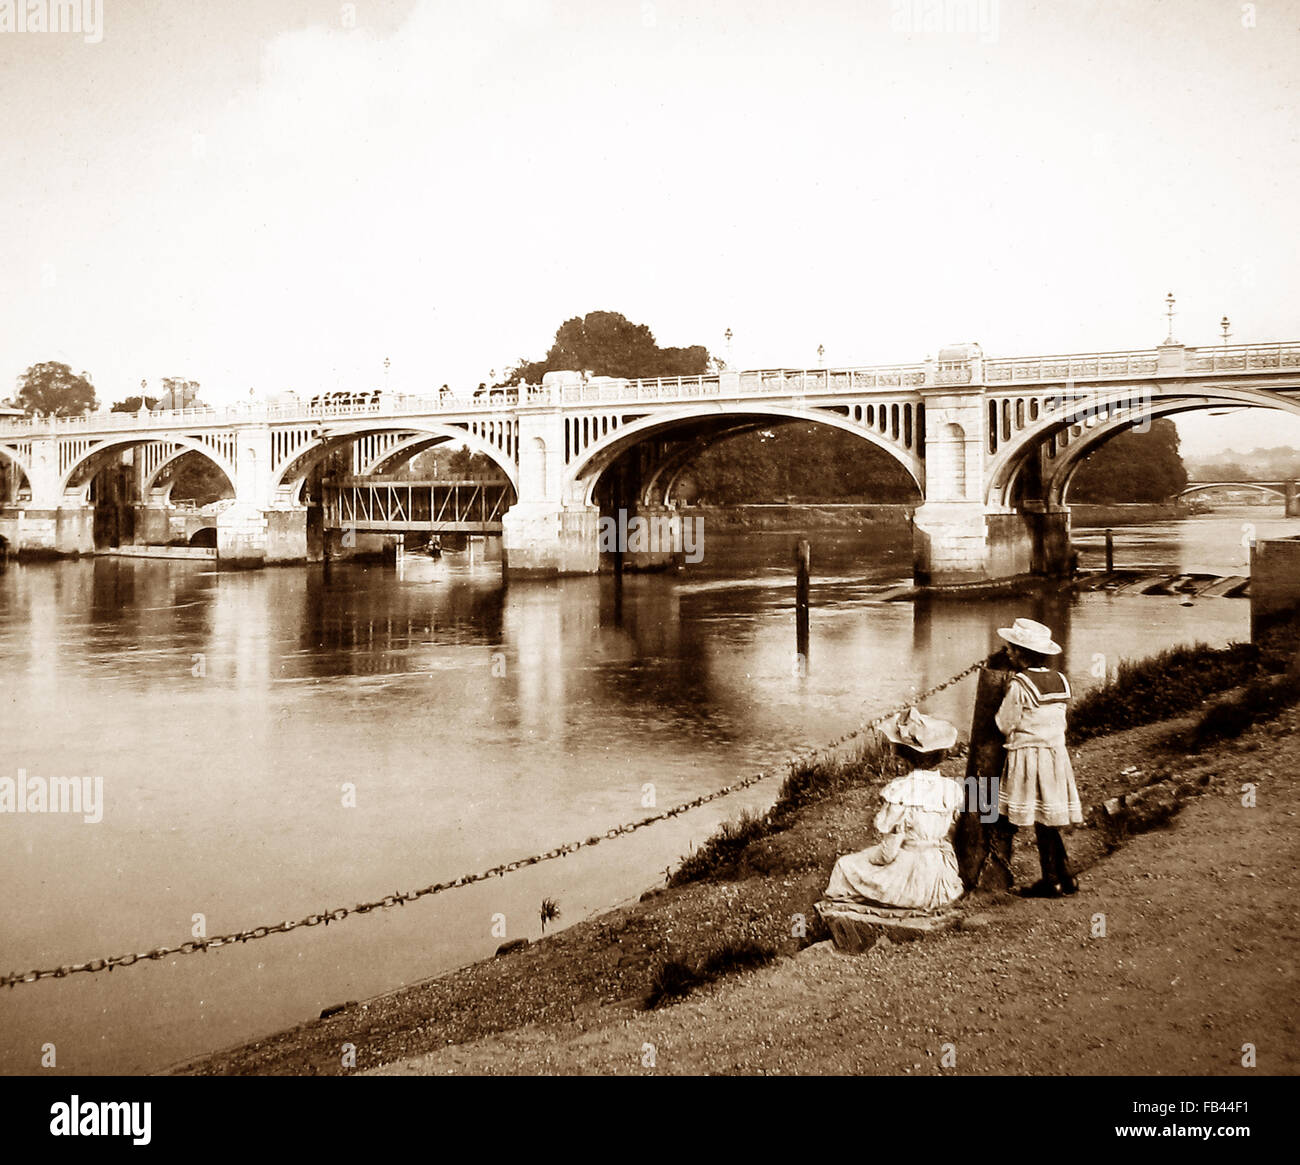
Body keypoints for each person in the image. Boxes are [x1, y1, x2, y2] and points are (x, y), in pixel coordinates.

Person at [824, 708, 965, 913]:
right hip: (941, 877)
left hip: (911, 879)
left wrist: (866, 858)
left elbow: (887, 854)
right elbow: (950, 832)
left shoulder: (902, 791)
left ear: (905, 755)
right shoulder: (951, 789)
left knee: (844, 866)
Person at [990, 617, 1083, 898]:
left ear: (1021, 655)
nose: (1008, 653)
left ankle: (1052, 879)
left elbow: (1004, 723)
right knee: (1047, 819)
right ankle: (1064, 875)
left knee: (1036, 819)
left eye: (1011, 649)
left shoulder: (1020, 684)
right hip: (1055, 757)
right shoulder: (1060, 680)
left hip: (1029, 758)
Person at [953, 644, 1017, 891]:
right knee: (999, 801)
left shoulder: (1016, 684)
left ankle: (979, 865)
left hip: (997, 754)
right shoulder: (1032, 680)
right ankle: (988, 862)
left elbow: (1002, 722)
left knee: (985, 794)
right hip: (1020, 758)